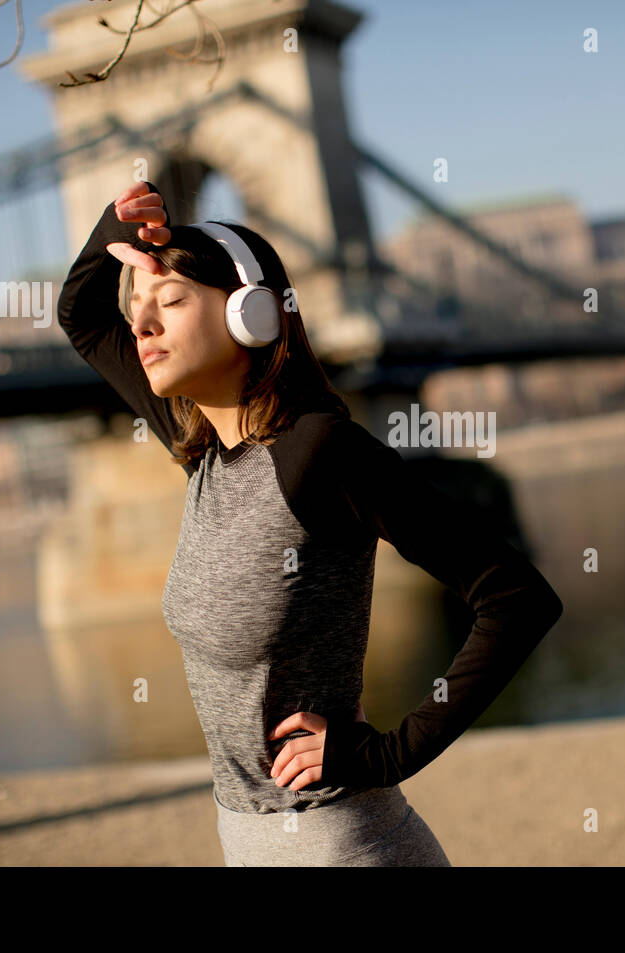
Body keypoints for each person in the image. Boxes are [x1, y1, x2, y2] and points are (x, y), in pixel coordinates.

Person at [55, 180, 564, 866]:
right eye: (139, 308)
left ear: (252, 316)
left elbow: (516, 597)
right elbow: (85, 317)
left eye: (171, 302)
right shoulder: (204, 454)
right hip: (244, 841)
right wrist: (113, 229)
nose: (142, 325)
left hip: (342, 844)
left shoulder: (319, 452)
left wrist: (389, 753)